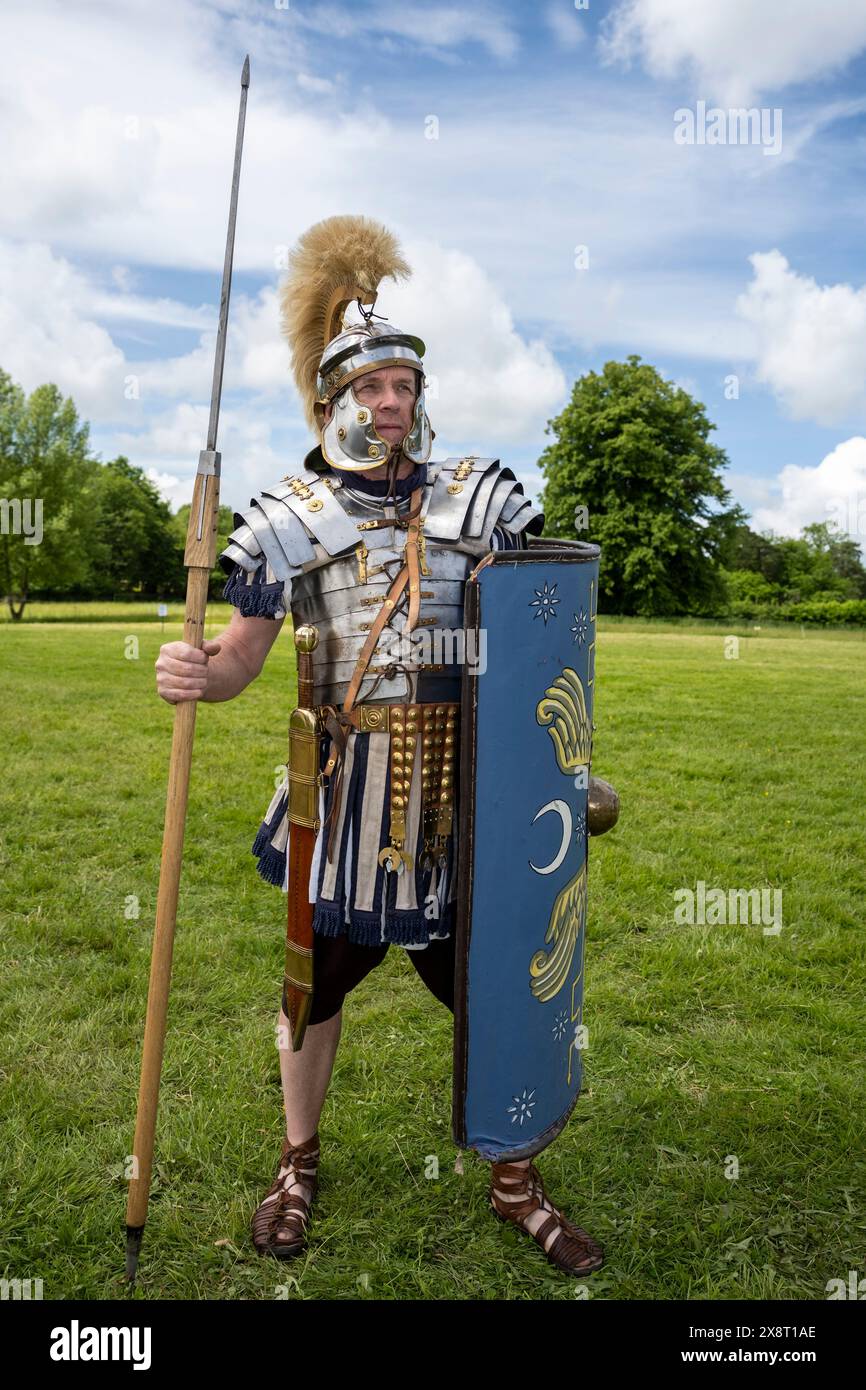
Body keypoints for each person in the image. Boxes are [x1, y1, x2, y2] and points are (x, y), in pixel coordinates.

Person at [154, 216, 604, 1278]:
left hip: (471, 797)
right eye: (368, 386)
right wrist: (197, 677)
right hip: (341, 798)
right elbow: (237, 660)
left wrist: (563, 769)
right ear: (330, 400)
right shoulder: (281, 520)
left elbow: (546, 645)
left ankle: (514, 1175)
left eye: (401, 382)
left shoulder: (484, 500)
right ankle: (297, 1164)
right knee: (310, 993)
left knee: (502, 985)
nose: (389, 401)